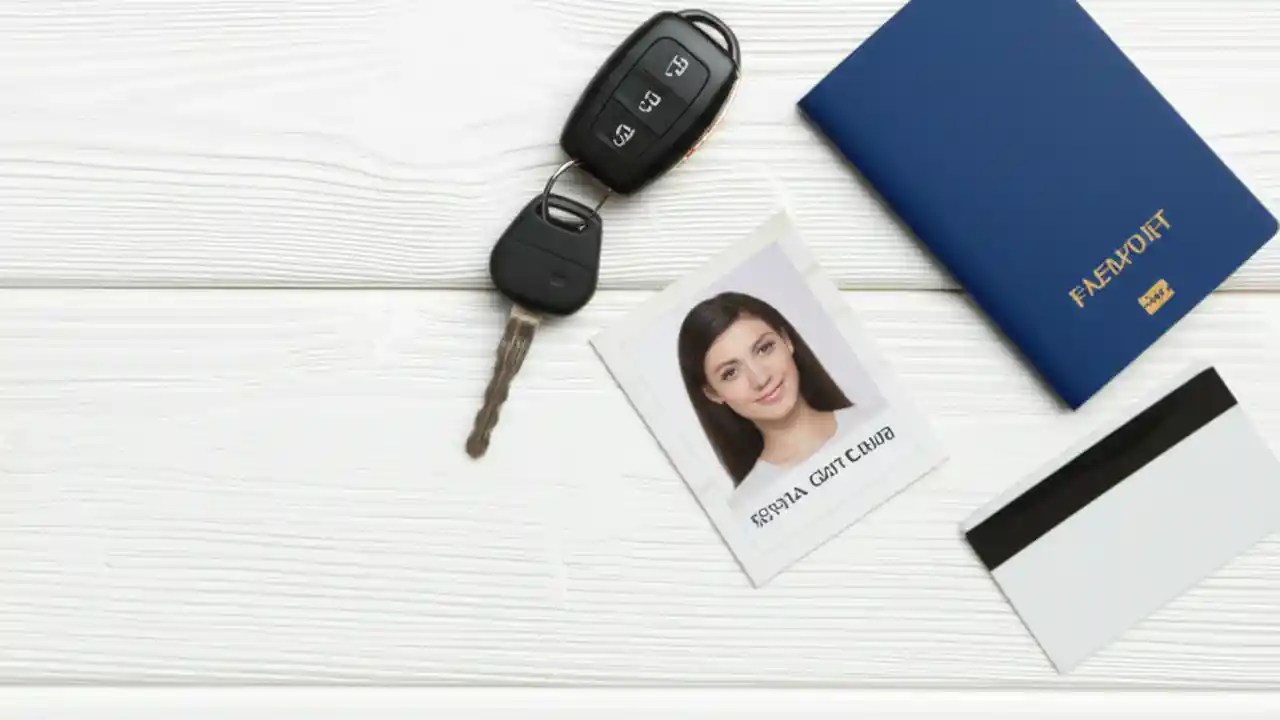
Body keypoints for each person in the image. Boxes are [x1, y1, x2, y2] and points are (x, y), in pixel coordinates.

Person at [677, 292, 856, 493]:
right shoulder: (749, 502)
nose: (761, 379)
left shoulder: (876, 421)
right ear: (713, 394)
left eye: (764, 349)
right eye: (731, 373)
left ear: (786, 340)